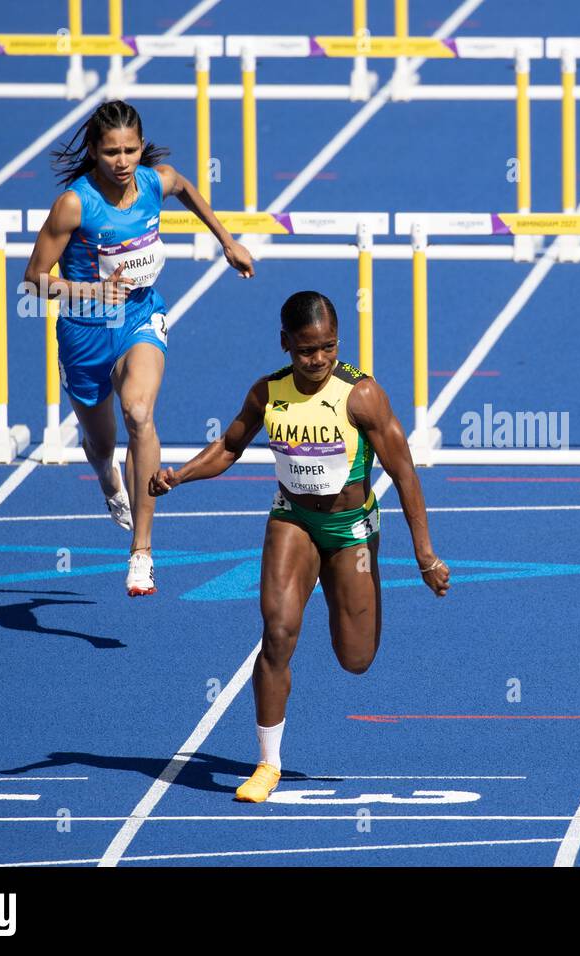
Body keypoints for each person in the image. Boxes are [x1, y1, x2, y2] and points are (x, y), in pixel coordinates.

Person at [149, 291, 450, 803]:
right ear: (286, 343)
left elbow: (403, 472)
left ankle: (351, 590)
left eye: (328, 348)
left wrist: (425, 555)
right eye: (307, 350)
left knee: (355, 658)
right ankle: (269, 764)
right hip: (293, 520)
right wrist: (180, 476)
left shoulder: (362, 395)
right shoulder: (269, 392)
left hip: (352, 528)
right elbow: (228, 446)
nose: (318, 360)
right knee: (279, 630)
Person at [24, 100, 254, 596]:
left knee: (139, 412)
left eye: (130, 150)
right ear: (93, 150)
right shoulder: (74, 204)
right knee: (101, 441)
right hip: (84, 333)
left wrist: (226, 241)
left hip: (139, 318)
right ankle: (107, 476)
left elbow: (187, 189)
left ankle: (142, 552)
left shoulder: (155, 181)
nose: (122, 161)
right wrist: (88, 292)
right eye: (111, 152)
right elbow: (34, 282)